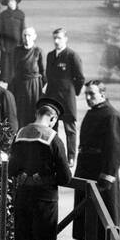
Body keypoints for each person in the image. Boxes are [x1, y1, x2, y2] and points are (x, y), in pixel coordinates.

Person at [8, 98, 73, 240]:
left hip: (23, 197)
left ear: (36, 115)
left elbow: (11, 170)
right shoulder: (53, 139)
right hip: (45, 200)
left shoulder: (20, 135)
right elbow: (66, 178)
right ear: (52, 119)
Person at [72, 81, 120, 240]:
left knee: (104, 216)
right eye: (86, 94)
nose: (88, 97)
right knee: (89, 216)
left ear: (102, 94)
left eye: (92, 94)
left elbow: (115, 150)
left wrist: (107, 177)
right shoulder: (93, 112)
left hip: (101, 176)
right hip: (87, 171)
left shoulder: (111, 115)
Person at [44, 28, 85, 167]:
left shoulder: (72, 56)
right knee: (51, 128)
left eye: (59, 38)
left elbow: (80, 78)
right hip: (52, 98)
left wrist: (72, 92)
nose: (56, 41)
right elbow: (48, 76)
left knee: (70, 129)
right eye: (54, 38)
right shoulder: (50, 56)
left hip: (67, 99)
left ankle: (71, 157)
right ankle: (54, 155)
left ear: (65, 39)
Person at [10, 25, 44, 127]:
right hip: (20, 85)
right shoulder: (16, 51)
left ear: (34, 37)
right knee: (20, 112)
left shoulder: (38, 51)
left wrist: (41, 87)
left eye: (29, 35)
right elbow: (12, 69)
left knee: (33, 111)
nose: (27, 38)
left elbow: (43, 71)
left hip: (34, 86)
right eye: (24, 35)